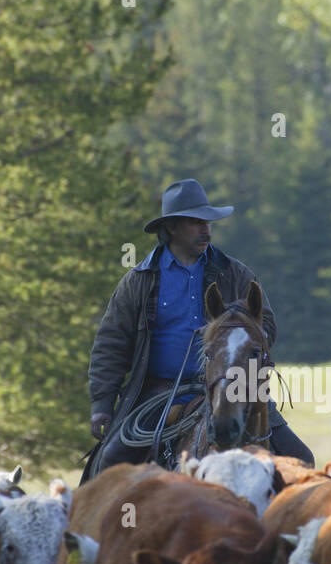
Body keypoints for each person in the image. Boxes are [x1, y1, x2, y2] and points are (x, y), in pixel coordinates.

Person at [83, 178, 313, 480]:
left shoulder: (236, 272)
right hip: (159, 392)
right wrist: (102, 404)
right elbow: (111, 344)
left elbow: (266, 325)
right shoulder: (139, 280)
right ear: (172, 228)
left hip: (235, 387)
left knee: (301, 460)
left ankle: (285, 525)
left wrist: (242, 334)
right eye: (195, 222)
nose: (206, 229)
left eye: (208, 222)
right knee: (106, 467)